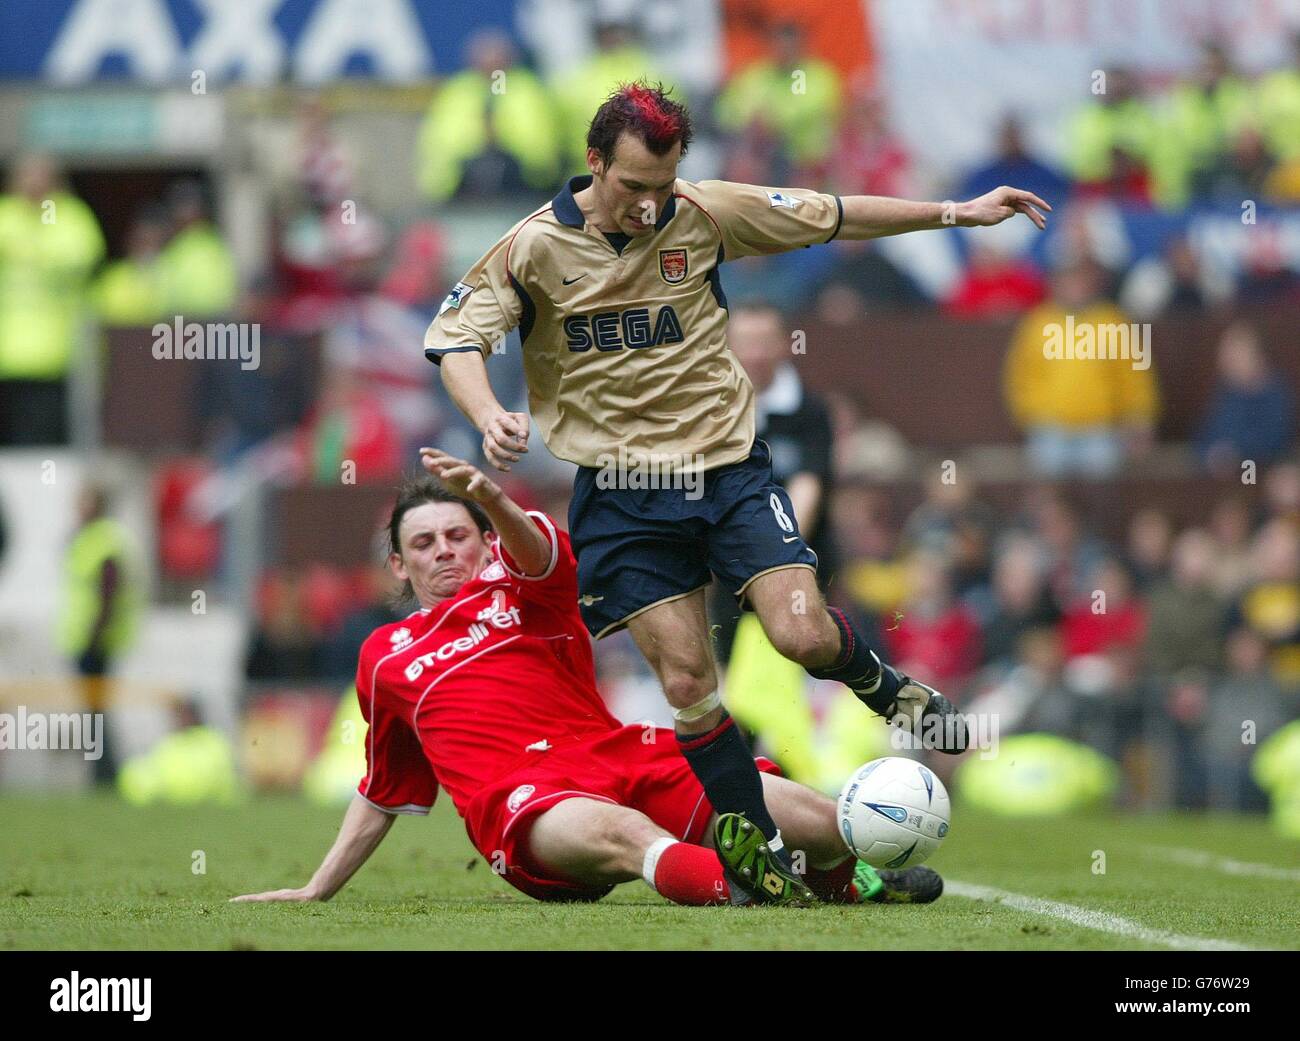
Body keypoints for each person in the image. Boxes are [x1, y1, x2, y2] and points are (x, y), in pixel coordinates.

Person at [425, 81, 1047, 903]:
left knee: (800, 634)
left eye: (663, 186)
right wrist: (488, 411)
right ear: (594, 161)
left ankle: (889, 692)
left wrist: (956, 214)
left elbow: (832, 213)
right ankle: (758, 851)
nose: (651, 205)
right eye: (633, 186)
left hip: (727, 471)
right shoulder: (533, 247)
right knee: (688, 682)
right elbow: (456, 335)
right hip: (621, 494)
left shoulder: (704, 211)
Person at [232, 453, 943, 907]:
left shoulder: (521, 585)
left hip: (620, 753)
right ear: (398, 565)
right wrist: (315, 888)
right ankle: (745, 885)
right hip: (526, 800)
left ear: (483, 542)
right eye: (423, 542)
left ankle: (845, 880)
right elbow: (384, 788)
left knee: (815, 819)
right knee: (626, 833)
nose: (444, 550)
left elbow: (540, 555)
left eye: (458, 534)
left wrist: (498, 501)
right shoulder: (385, 658)